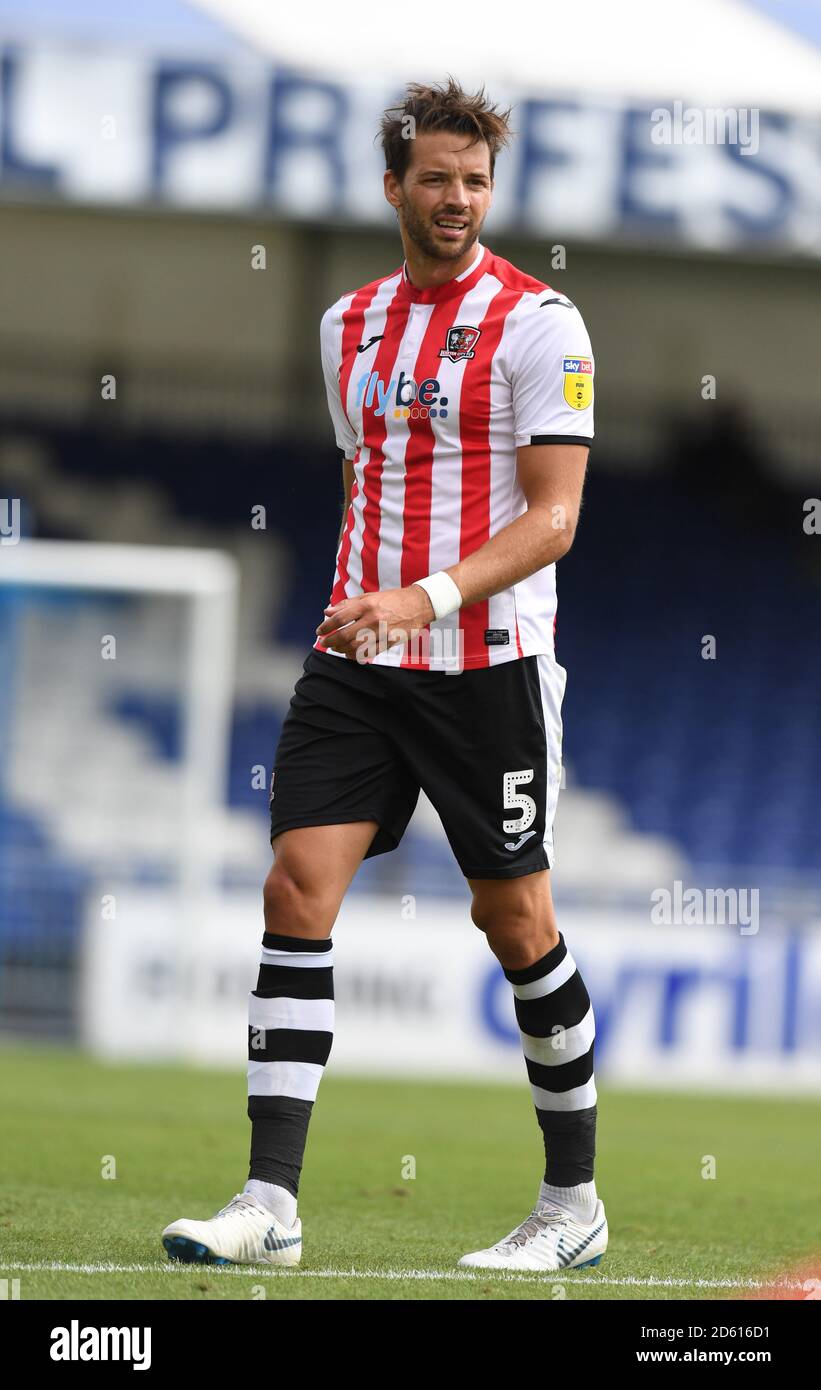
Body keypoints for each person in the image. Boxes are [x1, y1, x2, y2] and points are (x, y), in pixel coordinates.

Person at [162, 75, 606, 1275]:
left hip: (484, 662)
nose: (456, 199)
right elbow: (373, 479)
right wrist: (380, 610)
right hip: (356, 658)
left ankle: (572, 1203)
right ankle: (269, 1201)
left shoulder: (540, 323)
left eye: (474, 181)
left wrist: (423, 598)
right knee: (295, 888)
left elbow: (554, 519)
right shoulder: (345, 324)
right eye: (435, 180)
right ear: (393, 187)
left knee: (513, 918)